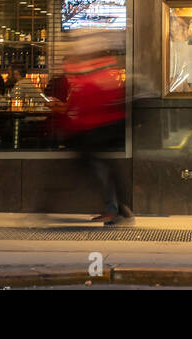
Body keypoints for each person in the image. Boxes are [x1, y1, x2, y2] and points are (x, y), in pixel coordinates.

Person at [40, 33, 132, 224]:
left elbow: (88, 106)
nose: (67, 72)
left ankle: (117, 210)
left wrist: (67, 119)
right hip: (89, 133)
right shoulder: (87, 80)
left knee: (97, 171)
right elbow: (75, 107)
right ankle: (118, 210)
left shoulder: (93, 79)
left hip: (94, 133)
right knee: (99, 171)